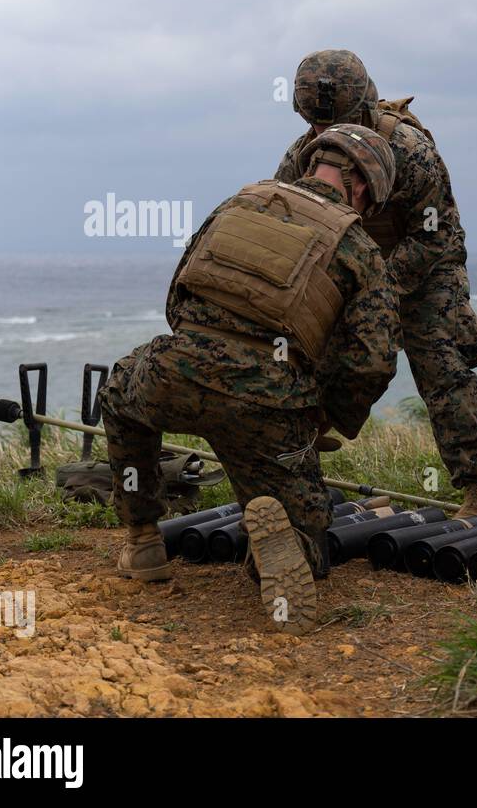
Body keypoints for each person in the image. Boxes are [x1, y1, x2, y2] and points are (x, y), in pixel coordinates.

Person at [100, 124, 400, 634]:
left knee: (120, 393)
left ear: (312, 164)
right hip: (270, 406)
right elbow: (372, 359)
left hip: (176, 374)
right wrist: (326, 417)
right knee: (309, 528)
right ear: (364, 187)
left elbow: (178, 296)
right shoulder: (358, 247)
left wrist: (201, 352)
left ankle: (144, 538)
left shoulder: (240, 202)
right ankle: (281, 547)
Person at [274, 49, 477, 520]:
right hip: (353, 269)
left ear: (362, 109)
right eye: (315, 126)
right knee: (306, 358)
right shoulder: (304, 157)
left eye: (331, 124)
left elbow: (435, 233)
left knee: (444, 369)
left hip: (422, 267)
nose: (322, 135)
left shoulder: (410, 152)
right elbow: (289, 223)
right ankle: (298, 472)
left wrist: (379, 283)